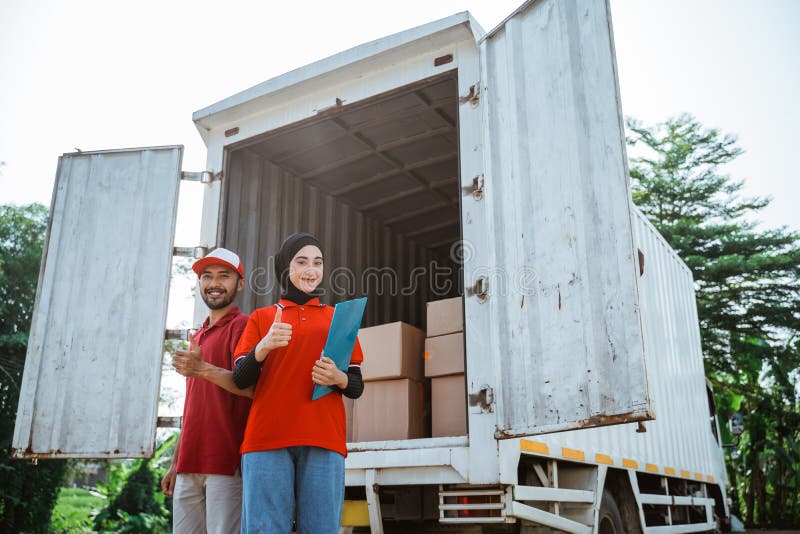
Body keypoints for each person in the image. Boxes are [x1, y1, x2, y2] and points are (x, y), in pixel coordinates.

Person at [232, 232, 365, 534]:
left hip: (323, 439)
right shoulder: (263, 318)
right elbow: (241, 380)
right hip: (267, 440)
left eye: (317, 263)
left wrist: (338, 378)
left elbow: (356, 386)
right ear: (285, 268)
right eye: (301, 261)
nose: (311, 270)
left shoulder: (337, 318)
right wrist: (263, 348)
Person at [160, 248, 253, 534]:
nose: (214, 283)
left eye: (224, 276)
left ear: (240, 283)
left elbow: (251, 389)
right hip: (189, 462)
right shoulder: (197, 336)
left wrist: (202, 369)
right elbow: (192, 404)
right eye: (206, 277)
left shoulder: (245, 327)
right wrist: (176, 461)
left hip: (226, 460)